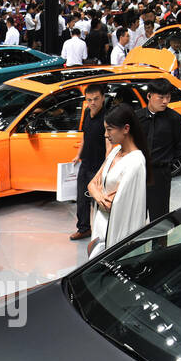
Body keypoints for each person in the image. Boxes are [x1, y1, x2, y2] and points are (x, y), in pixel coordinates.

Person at [87, 104, 148, 259]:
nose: (105, 135)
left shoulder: (136, 161)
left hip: (115, 230)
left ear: (126, 129)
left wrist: (98, 192)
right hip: (100, 224)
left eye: (109, 129)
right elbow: (92, 184)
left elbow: (114, 204)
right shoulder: (115, 151)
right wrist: (100, 195)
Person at [139, 77, 181, 220]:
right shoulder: (137, 118)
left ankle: (159, 243)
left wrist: (167, 165)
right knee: (136, 215)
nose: (165, 101)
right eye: (161, 97)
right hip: (138, 172)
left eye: (168, 97)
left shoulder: (175, 119)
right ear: (149, 96)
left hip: (160, 174)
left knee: (159, 218)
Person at [67, 84, 108, 242]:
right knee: (81, 199)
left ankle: (101, 232)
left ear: (103, 98)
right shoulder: (86, 112)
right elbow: (85, 136)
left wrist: (106, 166)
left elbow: (109, 143)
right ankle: (83, 228)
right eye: (89, 100)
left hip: (99, 166)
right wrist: (78, 155)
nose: (92, 103)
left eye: (96, 99)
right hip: (85, 163)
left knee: (98, 202)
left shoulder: (107, 117)